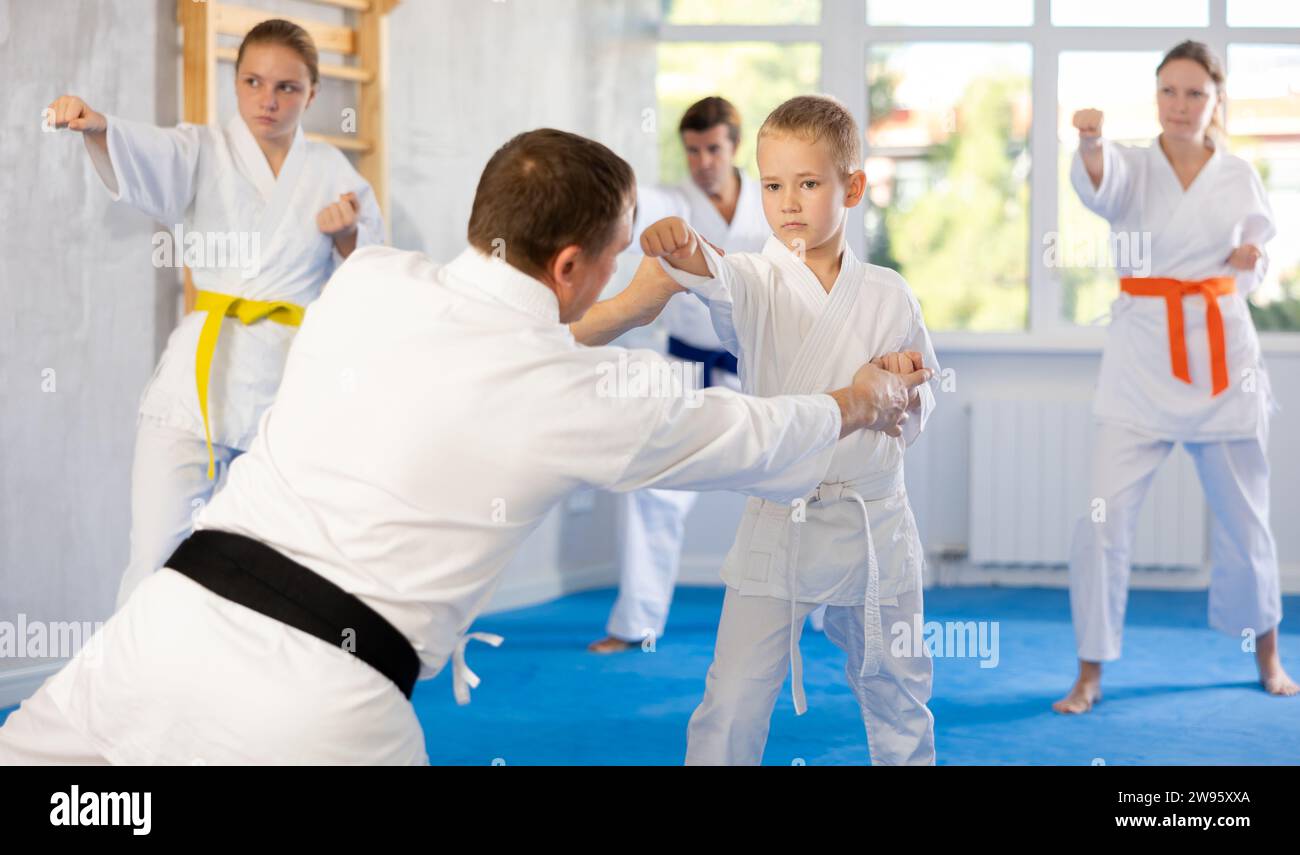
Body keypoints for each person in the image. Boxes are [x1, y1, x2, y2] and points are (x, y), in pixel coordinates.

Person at [0, 127, 931, 765]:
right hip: (318, 712)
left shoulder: (370, 281)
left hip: (159, 636)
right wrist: (853, 399)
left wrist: (639, 302)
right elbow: (746, 431)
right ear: (572, 266)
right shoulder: (573, 396)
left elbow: (498, 357)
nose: (621, 268)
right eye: (615, 256)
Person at [46, 18, 384, 610]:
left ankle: (240, 693)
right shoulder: (203, 149)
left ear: (313, 92)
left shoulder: (333, 172)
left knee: (275, 566)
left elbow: (373, 278)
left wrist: (348, 235)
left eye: (287, 88)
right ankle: (130, 694)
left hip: (288, 390)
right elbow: (147, 155)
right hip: (197, 381)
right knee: (155, 553)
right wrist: (98, 128)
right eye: (253, 82)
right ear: (235, 82)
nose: (268, 101)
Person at [646, 95, 941, 765]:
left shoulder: (890, 293)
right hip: (784, 516)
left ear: (853, 188)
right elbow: (713, 274)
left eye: (808, 183)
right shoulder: (756, 278)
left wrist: (901, 381)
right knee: (734, 696)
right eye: (774, 184)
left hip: (873, 516)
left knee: (898, 687)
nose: (788, 202)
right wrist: (682, 246)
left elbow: (920, 398)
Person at [1054, 40, 1296, 714]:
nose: (1181, 106)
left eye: (1195, 93)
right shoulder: (1130, 163)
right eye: (1169, 91)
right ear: (1155, 95)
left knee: (1248, 522)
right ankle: (1090, 670)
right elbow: (1095, 185)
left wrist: (1249, 259)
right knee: (1100, 520)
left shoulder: (1239, 175)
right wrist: (1091, 140)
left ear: (1217, 101)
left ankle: (1268, 653)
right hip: (1142, 357)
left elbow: (1255, 266)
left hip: (1223, 357)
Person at [591, 96, 771, 655]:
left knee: (800, 481)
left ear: (734, 146)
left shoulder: (771, 203)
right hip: (685, 365)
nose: (702, 161)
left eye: (713, 148)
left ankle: (818, 613)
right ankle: (637, 623)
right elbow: (639, 205)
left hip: (761, 367)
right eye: (692, 150)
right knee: (652, 486)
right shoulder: (672, 200)